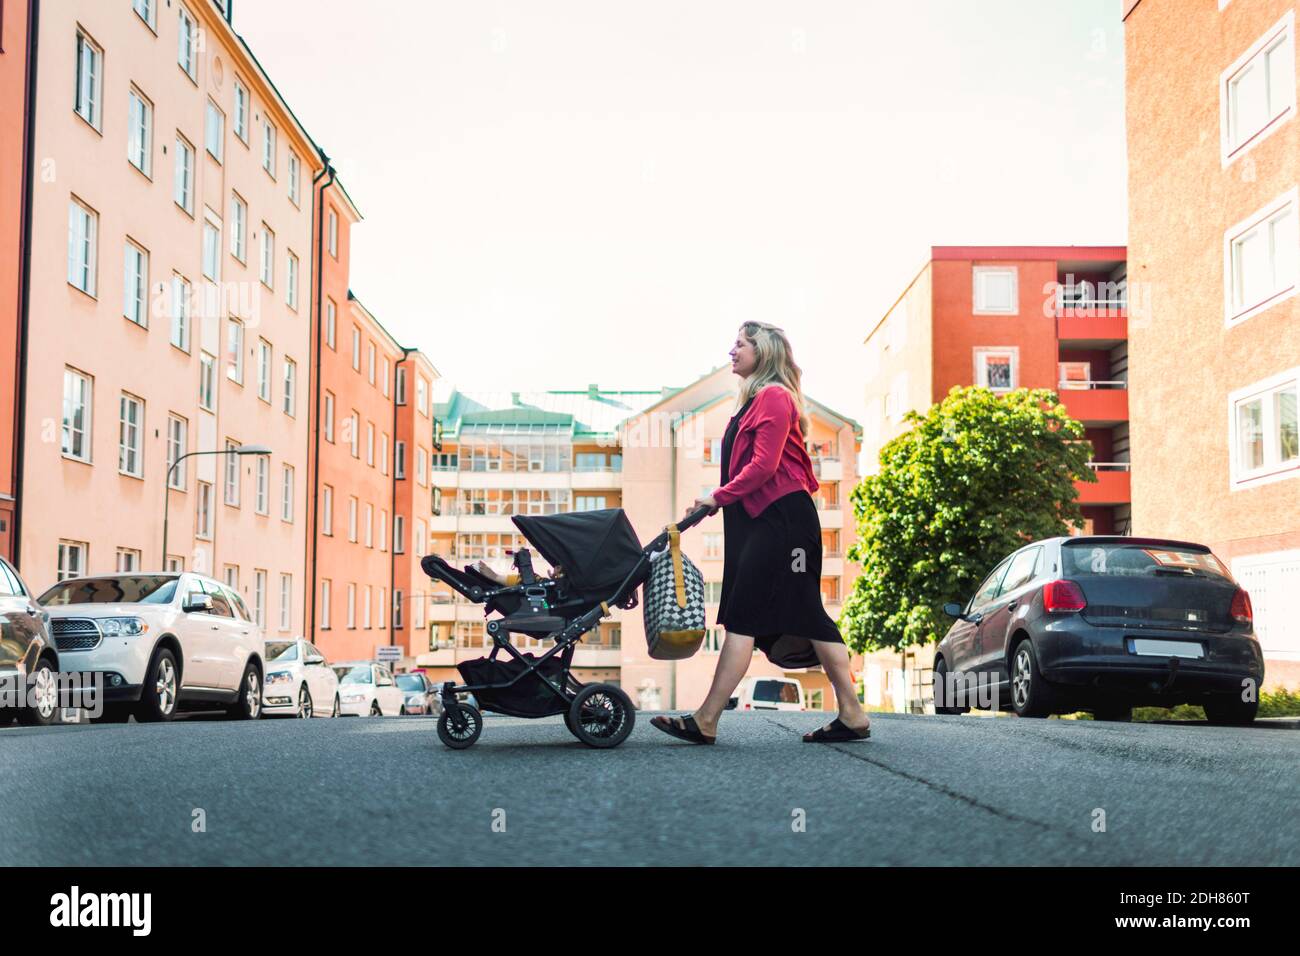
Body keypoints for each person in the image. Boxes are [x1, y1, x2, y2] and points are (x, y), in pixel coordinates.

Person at [649, 321, 872, 745]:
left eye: (740, 345)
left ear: (763, 352)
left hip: (783, 523)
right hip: (765, 524)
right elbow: (751, 472)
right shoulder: (753, 402)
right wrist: (721, 501)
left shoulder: (773, 397)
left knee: (761, 615)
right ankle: (851, 713)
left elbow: (765, 466)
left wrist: (717, 496)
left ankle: (708, 718)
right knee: (780, 615)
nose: (731, 351)